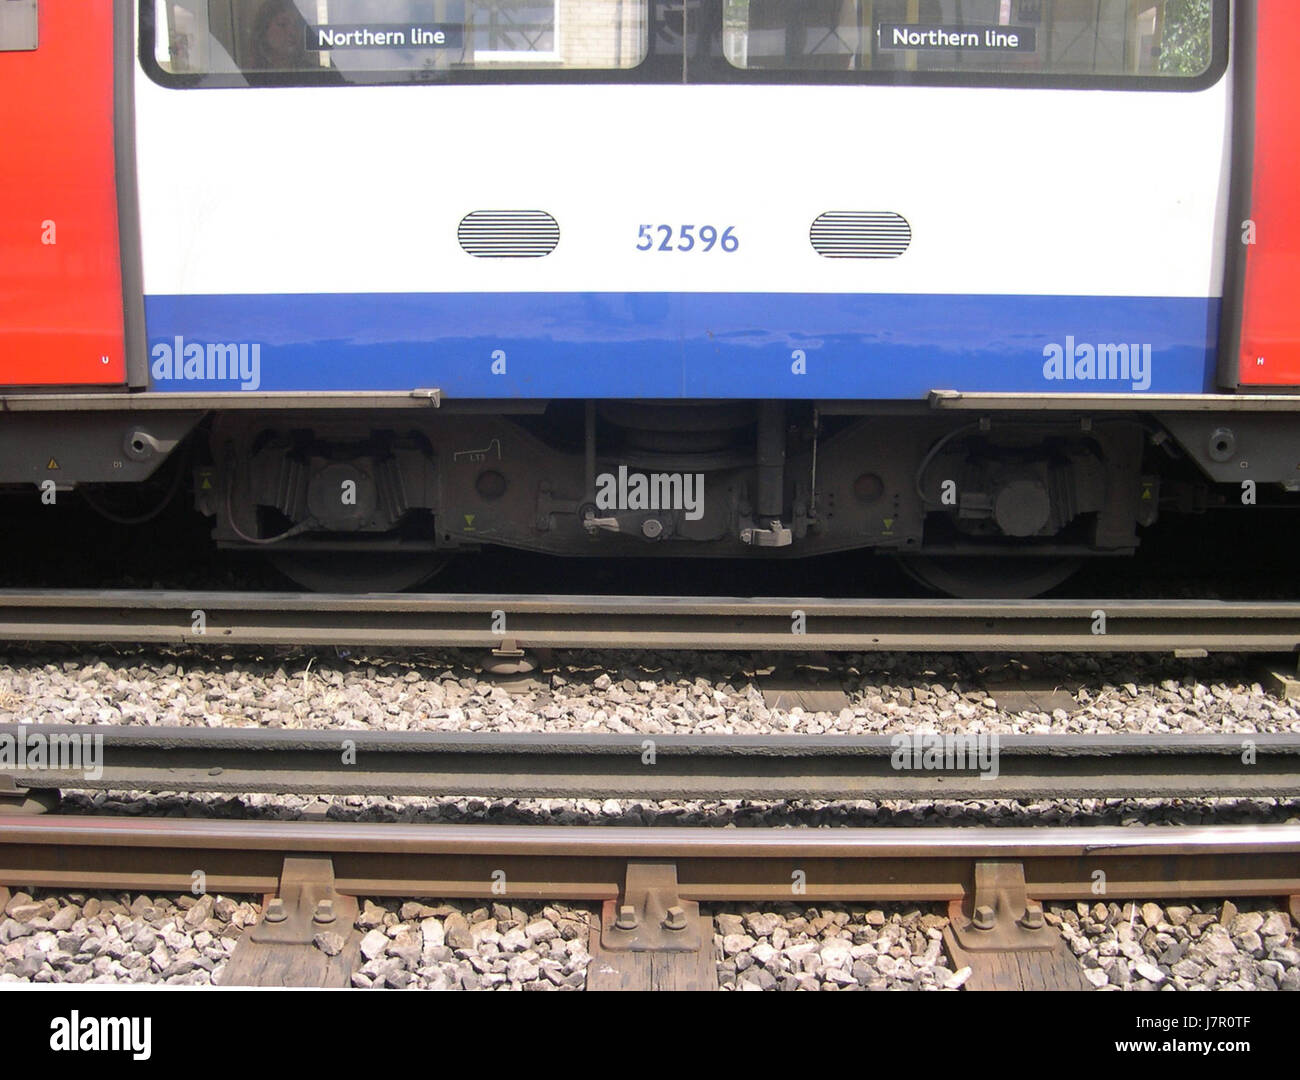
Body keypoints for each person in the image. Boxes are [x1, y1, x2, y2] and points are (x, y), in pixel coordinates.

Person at [246, 0, 314, 70]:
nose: (293, 32)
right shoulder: (249, 74)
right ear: (264, 30)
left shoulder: (314, 73)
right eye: (283, 24)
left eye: (297, 24)